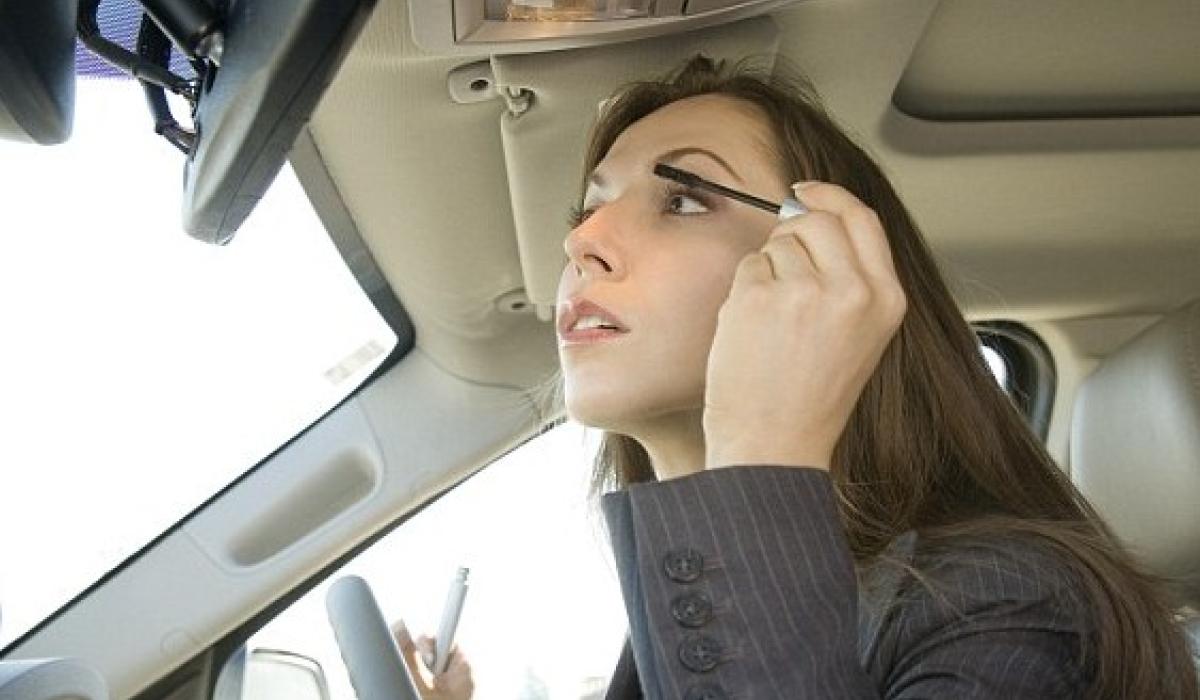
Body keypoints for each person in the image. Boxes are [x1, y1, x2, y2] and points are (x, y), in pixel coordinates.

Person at [396, 55, 1199, 699]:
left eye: (682, 199)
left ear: (826, 272)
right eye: (587, 210)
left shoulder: (1009, 605)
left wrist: (767, 448)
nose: (583, 242)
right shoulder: (676, 612)